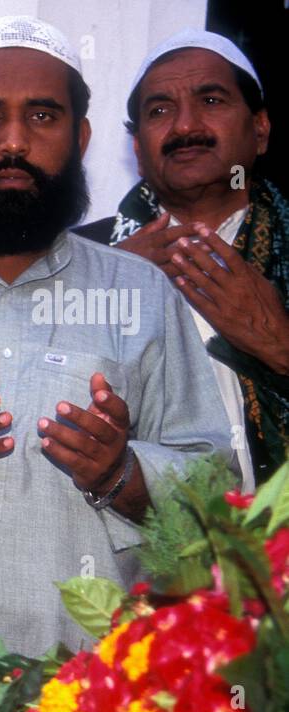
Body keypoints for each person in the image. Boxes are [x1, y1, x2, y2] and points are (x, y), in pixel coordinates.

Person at [0, 16, 233, 712]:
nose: (13, 142)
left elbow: (219, 486)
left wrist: (123, 472)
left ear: (80, 137)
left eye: (41, 116)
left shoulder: (141, 290)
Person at [75, 30, 287, 489]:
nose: (186, 126)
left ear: (261, 129)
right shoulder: (79, 257)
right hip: (126, 547)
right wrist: (103, 287)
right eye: (159, 111)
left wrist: (280, 346)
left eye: (211, 101)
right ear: (137, 148)